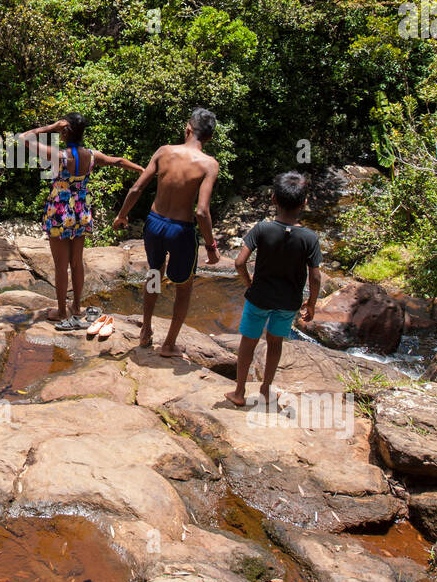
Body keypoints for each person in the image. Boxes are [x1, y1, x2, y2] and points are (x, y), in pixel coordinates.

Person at [113, 108, 221, 356]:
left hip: (154, 223)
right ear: (209, 138)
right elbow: (202, 212)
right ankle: (169, 345)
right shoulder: (209, 164)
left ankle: (145, 330)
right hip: (181, 230)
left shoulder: (164, 151)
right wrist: (211, 247)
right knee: (184, 286)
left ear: (188, 129)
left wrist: (122, 215)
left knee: (154, 273)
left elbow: (137, 188)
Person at [22, 115, 143, 329]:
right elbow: (118, 161)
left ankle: (61, 311)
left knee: (61, 266)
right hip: (80, 211)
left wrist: (51, 127)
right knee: (76, 262)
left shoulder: (58, 156)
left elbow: (24, 138)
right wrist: (142, 170)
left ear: (65, 131)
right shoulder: (92, 156)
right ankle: (76, 308)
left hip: (59, 212)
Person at [226, 171, 323, 407]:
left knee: (248, 342)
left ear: (273, 199)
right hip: (288, 302)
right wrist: (311, 303)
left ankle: (239, 392)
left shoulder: (262, 229)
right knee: (275, 342)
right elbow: (316, 276)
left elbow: (239, 263)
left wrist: (248, 282)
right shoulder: (309, 238)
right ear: (304, 203)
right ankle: (265, 390)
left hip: (259, 297)